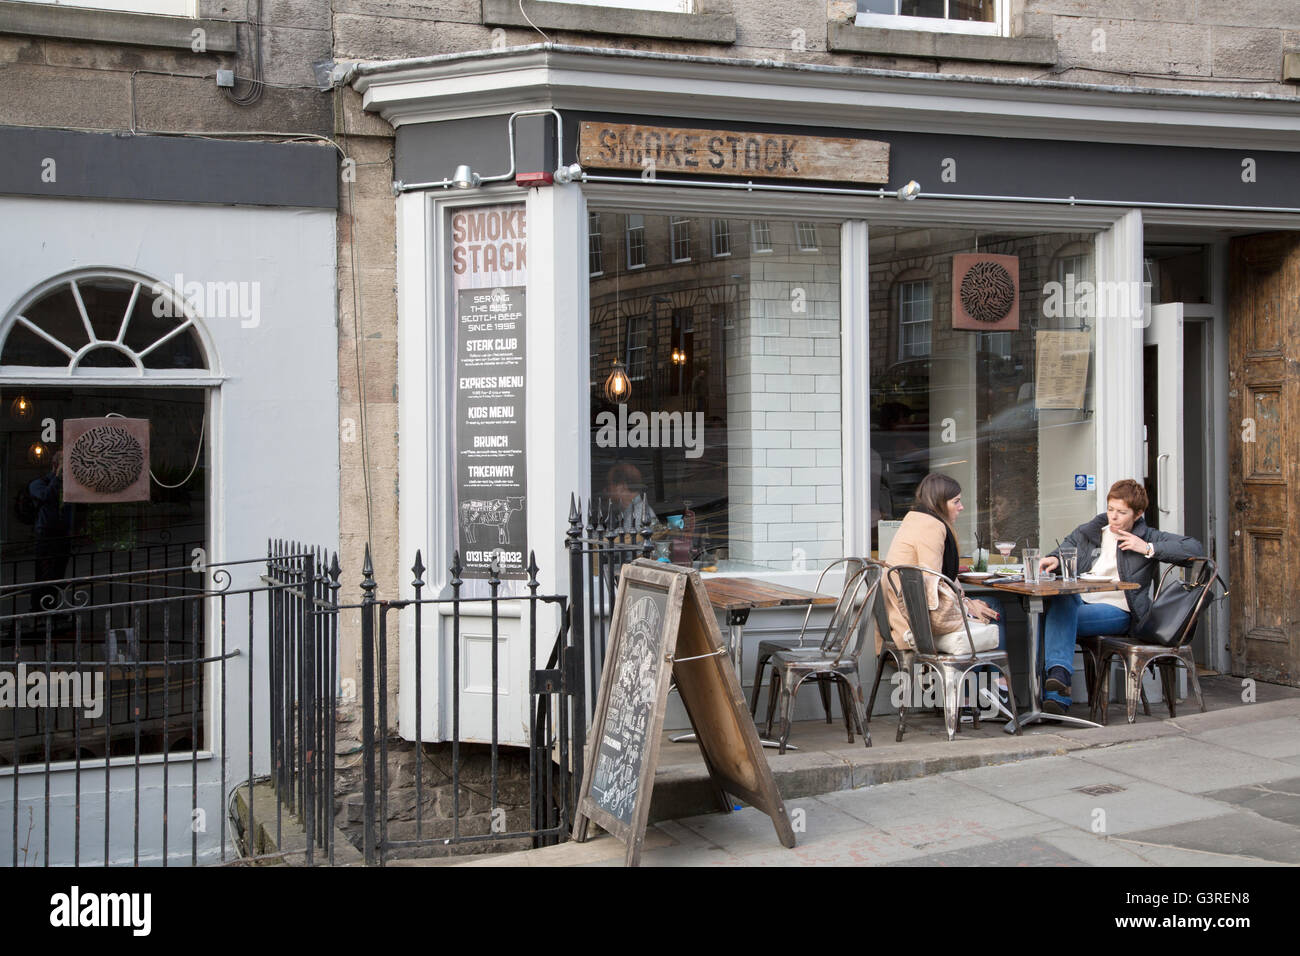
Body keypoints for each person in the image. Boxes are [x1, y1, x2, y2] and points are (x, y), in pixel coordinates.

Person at [1036, 478, 1203, 714]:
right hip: (1082, 602)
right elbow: (1065, 548)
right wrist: (1054, 559)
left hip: (1120, 611)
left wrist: (1146, 548)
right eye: (1110, 509)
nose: (1113, 516)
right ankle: (1058, 684)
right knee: (1058, 601)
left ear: (1137, 514)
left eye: (1121, 512)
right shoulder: (1091, 531)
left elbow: (1194, 548)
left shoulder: (1147, 536)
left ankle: (1055, 692)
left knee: (1048, 616)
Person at [882, 472, 1009, 702]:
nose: (961, 507)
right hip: (916, 620)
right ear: (940, 503)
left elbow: (938, 574)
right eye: (956, 501)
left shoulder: (916, 519)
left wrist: (968, 602)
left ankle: (986, 692)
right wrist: (969, 606)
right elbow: (934, 583)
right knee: (993, 608)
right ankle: (977, 696)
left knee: (987, 606)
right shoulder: (932, 527)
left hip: (903, 613)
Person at [603, 462, 657, 533]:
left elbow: (617, 541)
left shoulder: (638, 515)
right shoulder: (634, 511)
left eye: (608, 485)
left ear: (621, 486)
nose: (604, 491)